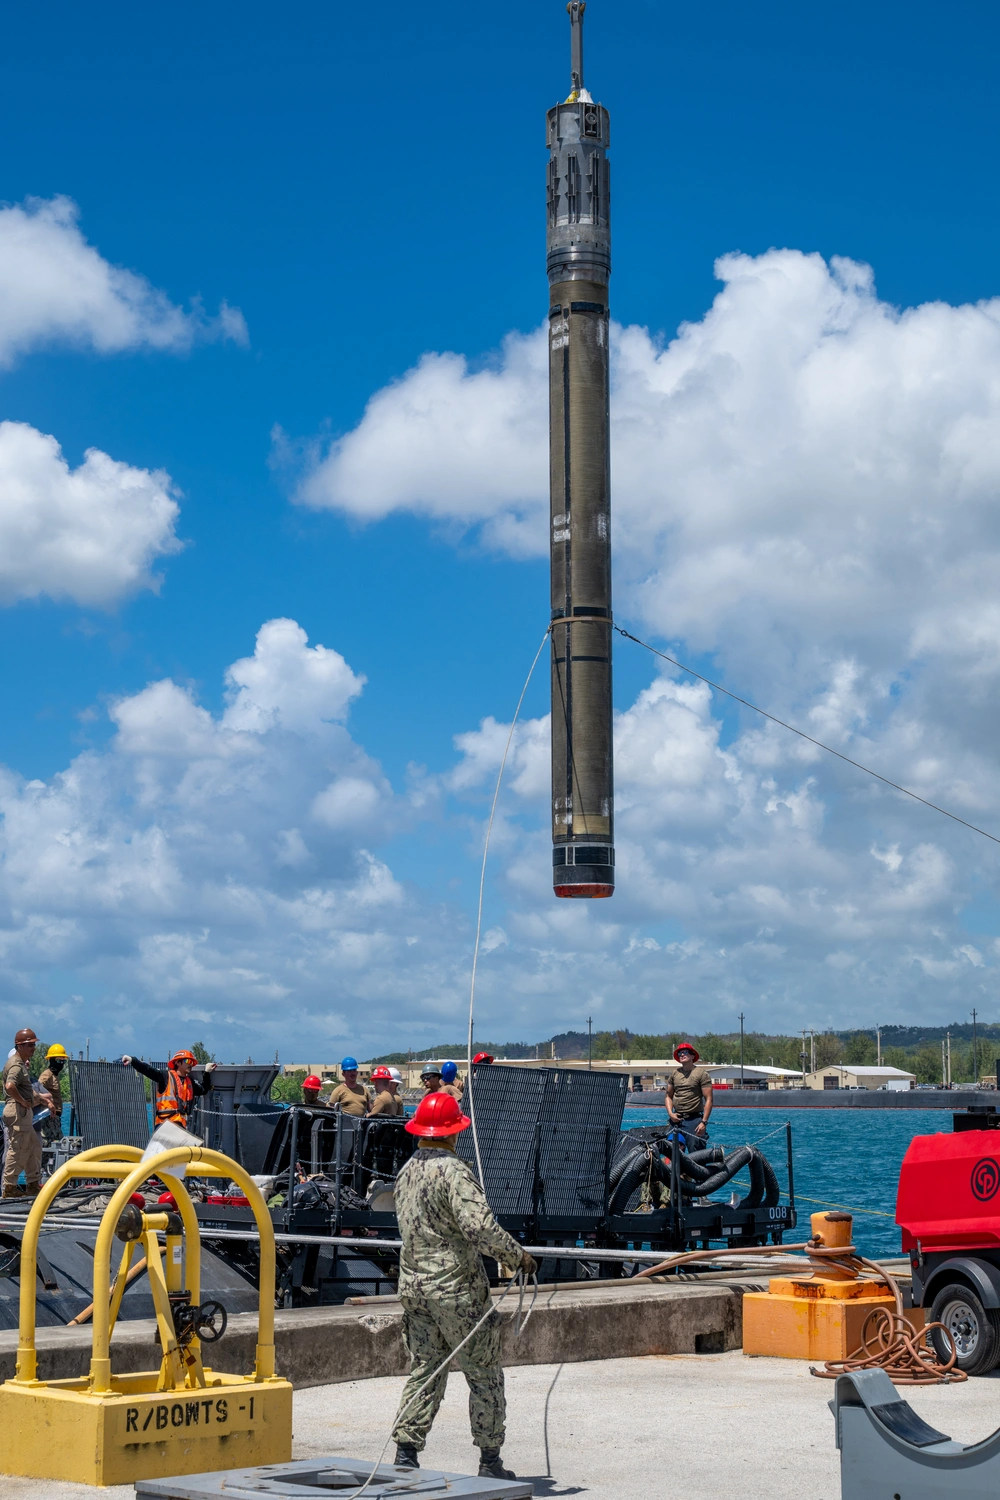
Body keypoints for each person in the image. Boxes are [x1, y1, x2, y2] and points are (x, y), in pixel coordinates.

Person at [390, 1090, 537, 1478]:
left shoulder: (406, 1172)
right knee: (483, 1372)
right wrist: (517, 1257)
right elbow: (479, 1227)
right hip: (456, 1291)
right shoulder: (454, 1171)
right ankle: (490, 1461)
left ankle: (406, 1455)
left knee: (425, 1370)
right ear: (453, 1132)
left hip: (414, 1288)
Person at [2, 1029, 54, 1199]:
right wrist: (22, 1101)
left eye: (34, 1045)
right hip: (18, 1112)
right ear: (20, 1046)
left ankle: (32, 1184)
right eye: (30, 1045)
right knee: (17, 1150)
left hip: (24, 1112)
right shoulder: (16, 1066)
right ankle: (9, 1188)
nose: (34, 1048)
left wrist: (44, 1100)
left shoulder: (21, 1065)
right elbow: (10, 1087)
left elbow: (27, 1091)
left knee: (33, 1147)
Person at [122, 1049, 217, 1129]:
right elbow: (148, 1070)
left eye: (192, 1062)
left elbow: (203, 1090)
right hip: (164, 1124)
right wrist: (133, 1060)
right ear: (177, 1062)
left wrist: (207, 1072)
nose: (191, 1064)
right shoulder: (166, 1076)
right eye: (187, 1061)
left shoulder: (189, 1083)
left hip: (180, 1126)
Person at [665, 1042, 713, 1142]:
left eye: (685, 1052)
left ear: (692, 1056)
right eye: (679, 1053)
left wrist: (703, 1122)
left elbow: (708, 1099)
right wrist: (670, 1114)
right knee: (669, 1150)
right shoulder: (675, 1073)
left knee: (696, 1152)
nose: (682, 1055)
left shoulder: (701, 1074)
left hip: (694, 1120)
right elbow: (668, 1096)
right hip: (676, 1119)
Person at [38, 1043, 68, 1144]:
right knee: (48, 1144)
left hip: (55, 1118)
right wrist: (48, 1103)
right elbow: (35, 1091)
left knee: (60, 1144)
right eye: (59, 1060)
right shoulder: (47, 1075)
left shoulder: (55, 1075)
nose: (62, 1063)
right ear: (52, 1060)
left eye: (63, 1061)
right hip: (48, 1117)